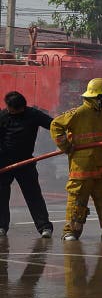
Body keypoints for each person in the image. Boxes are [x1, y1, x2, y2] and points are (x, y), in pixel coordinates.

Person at [50, 78, 102, 241]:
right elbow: (56, 125)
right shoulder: (79, 113)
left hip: (101, 168)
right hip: (82, 168)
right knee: (77, 201)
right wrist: (65, 145)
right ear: (98, 98)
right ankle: (71, 232)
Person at [0, 91, 54, 238]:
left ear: (23, 107)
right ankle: (1, 226)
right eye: (12, 110)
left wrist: (66, 135)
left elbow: (53, 125)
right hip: (4, 162)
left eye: (18, 110)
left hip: (25, 162)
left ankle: (44, 227)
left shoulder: (33, 115)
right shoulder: (3, 116)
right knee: (2, 195)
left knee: (33, 194)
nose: (15, 112)